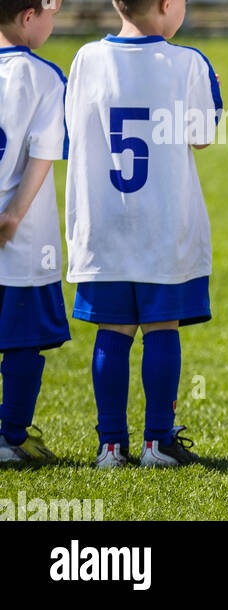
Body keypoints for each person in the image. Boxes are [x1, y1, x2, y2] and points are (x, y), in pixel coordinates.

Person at [65, 0, 219, 468]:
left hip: (105, 221)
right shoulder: (187, 61)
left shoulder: (87, 58)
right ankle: (157, 441)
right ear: (166, 5)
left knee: (112, 329)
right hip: (164, 221)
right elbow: (204, 134)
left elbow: (76, 127)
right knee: (161, 328)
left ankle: (110, 444)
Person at [0, 0, 68, 465]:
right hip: (22, 242)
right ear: (29, 17)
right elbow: (42, 155)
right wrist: (12, 217)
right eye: (52, 15)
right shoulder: (43, 76)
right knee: (22, 341)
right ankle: (11, 436)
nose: (53, 23)